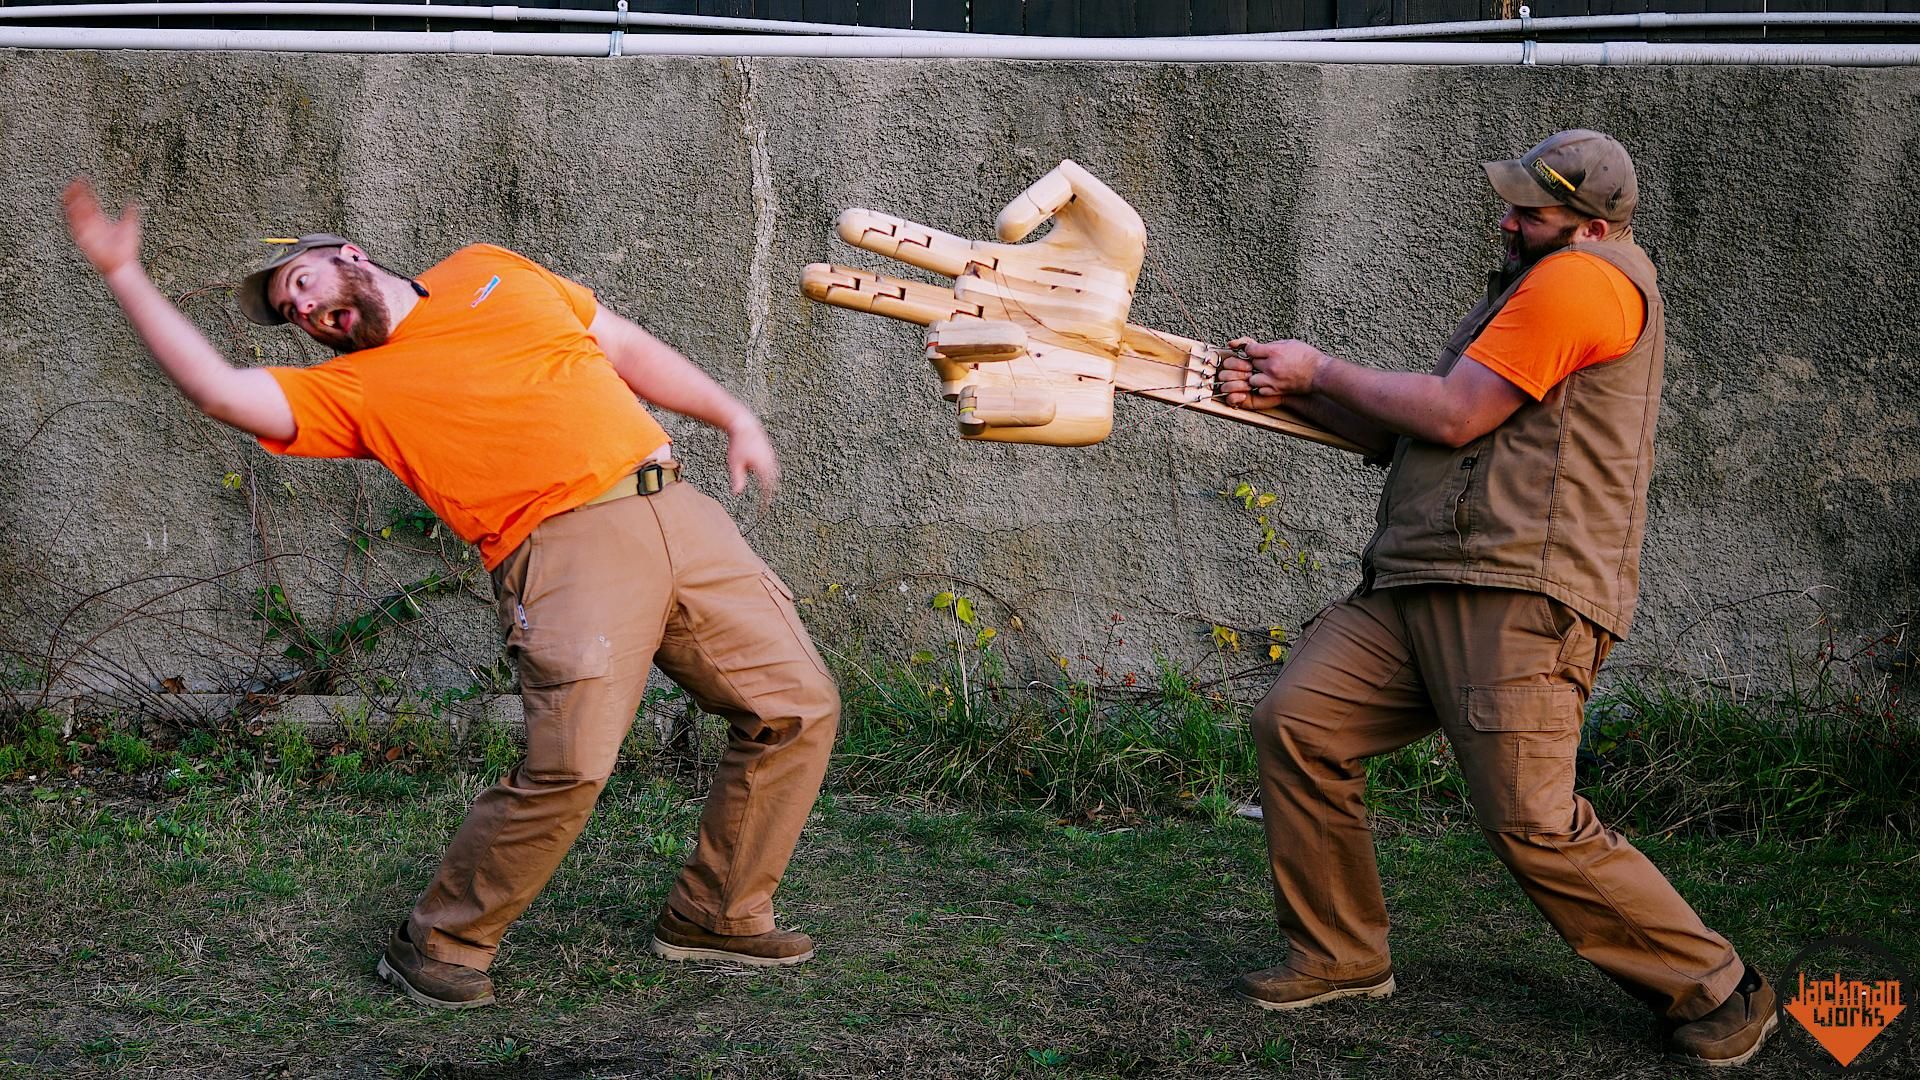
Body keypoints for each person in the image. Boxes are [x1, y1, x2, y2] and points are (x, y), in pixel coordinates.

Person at [62, 179, 841, 1011]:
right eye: (293, 315)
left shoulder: (488, 268)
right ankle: (439, 942)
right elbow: (219, 390)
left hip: (680, 510)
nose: (304, 311)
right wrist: (124, 274)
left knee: (797, 706)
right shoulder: (356, 390)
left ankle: (719, 913)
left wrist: (732, 414)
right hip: (564, 548)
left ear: (349, 255)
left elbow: (616, 341)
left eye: (301, 284)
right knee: (572, 766)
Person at [1214, 131, 1775, 1068]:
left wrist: (1318, 370)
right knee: (1301, 725)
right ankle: (1341, 954)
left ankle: (1720, 987)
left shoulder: (1584, 280)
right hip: (1421, 578)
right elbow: (1425, 432)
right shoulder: (1529, 288)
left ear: (1589, 226)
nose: (1508, 221)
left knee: (1531, 823)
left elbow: (1453, 412)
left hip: (1517, 593)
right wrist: (1287, 395)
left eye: (1530, 212)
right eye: (1511, 204)